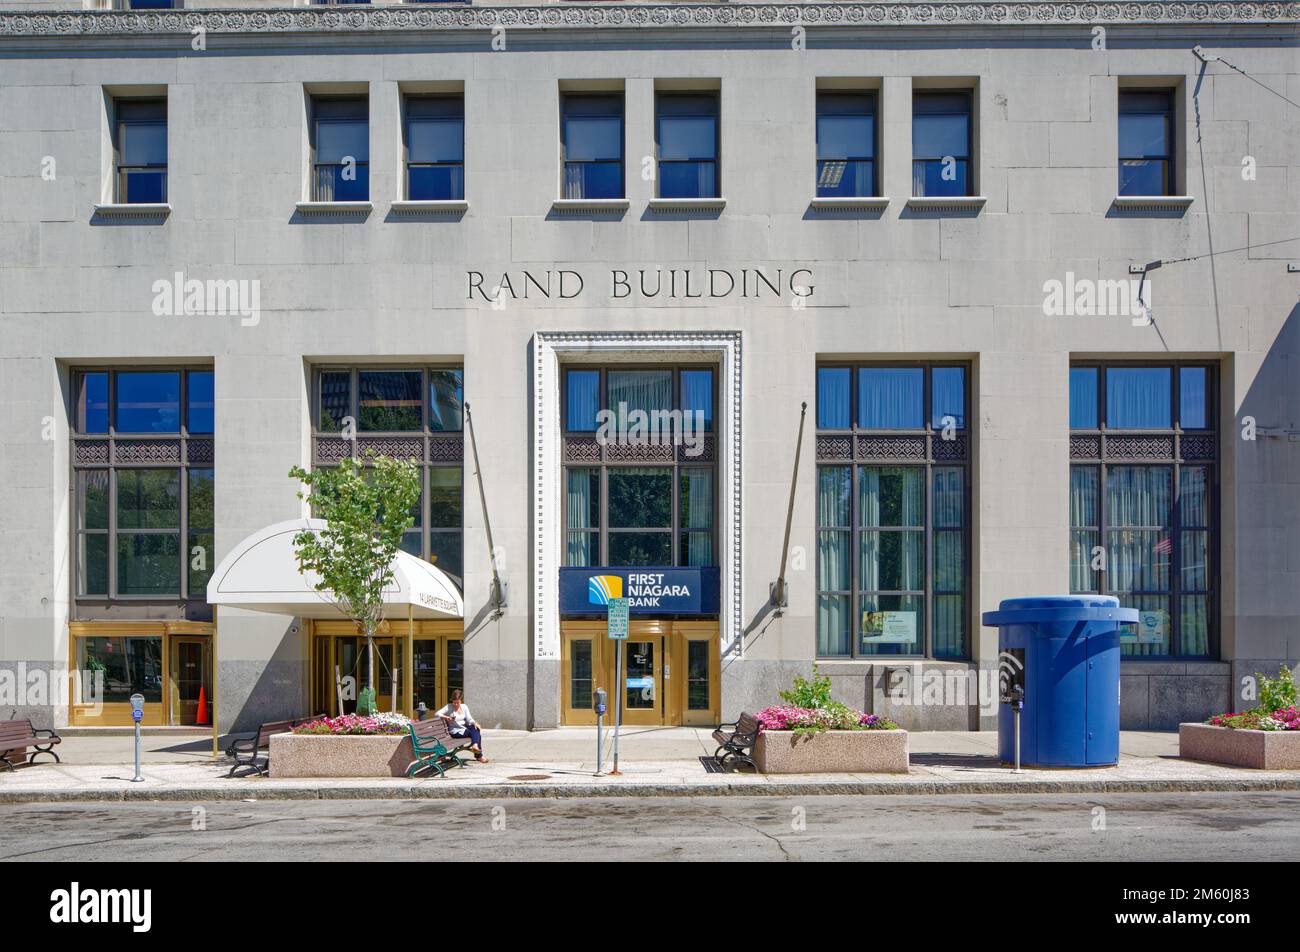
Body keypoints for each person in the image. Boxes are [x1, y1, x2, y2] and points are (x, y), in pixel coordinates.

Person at [434, 690, 488, 763]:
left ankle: (475, 746)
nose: (456, 704)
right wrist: (446, 717)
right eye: (454, 702)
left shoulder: (464, 707)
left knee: (476, 728)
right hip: (455, 731)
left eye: (458, 702)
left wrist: (474, 723)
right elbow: (437, 714)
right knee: (476, 734)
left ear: (461, 701)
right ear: (452, 701)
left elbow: (469, 719)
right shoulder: (449, 707)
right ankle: (478, 755)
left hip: (464, 728)